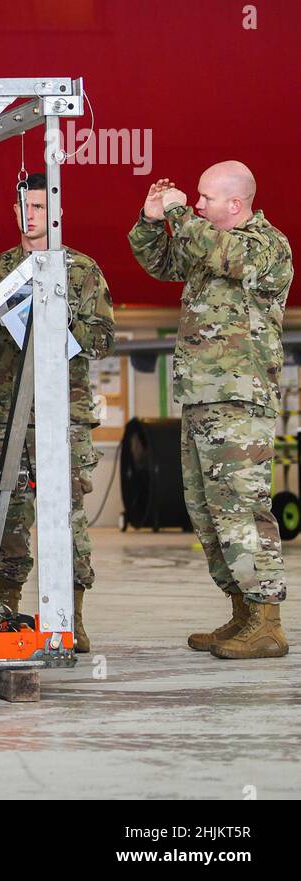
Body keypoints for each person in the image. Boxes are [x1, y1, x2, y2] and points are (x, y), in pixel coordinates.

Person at [129, 164, 292, 658]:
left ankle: (267, 623)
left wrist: (180, 211)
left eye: (204, 198)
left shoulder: (264, 246)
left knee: (241, 512)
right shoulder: (205, 243)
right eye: (194, 198)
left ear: (235, 205)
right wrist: (152, 218)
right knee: (207, 514)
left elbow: (218, 252)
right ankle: (243, 611)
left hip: (239, 403)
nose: (196, 205)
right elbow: (157, 260)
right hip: (202, 397)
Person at [0, 174, 114, 651]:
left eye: (40, 205)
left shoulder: (81, 270)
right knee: (2, 517)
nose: (31, 214)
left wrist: (57, 318)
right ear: (13, 213)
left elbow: (102, 341)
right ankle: (4, 612)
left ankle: (71, 618)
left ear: (55, 211)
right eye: (24, 206)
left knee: (69, 519)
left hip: (65, 414)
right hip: (7, 411)